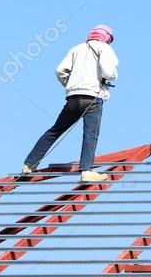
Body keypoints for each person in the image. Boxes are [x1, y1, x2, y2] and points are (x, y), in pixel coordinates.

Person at [22, 24, 118, 183]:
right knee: (90, 135)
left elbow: (60, 70)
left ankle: (29, 165)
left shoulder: (76, 49)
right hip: (93, 98)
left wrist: (71, 84)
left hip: (73, 98)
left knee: (55, 130)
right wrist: (112, 76)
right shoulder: (105, 49)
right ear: (107, 38)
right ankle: (86, 171)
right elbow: (109, 73)